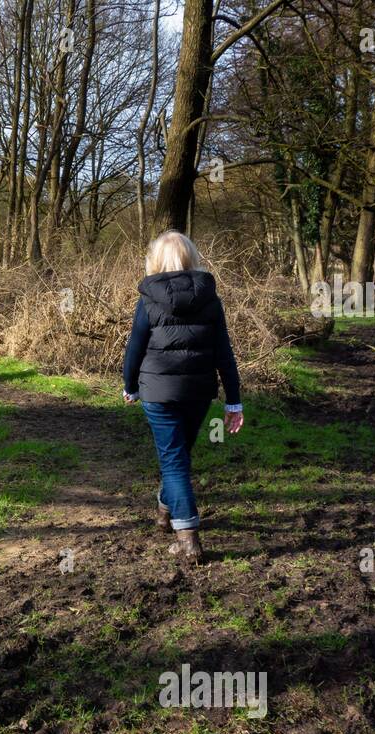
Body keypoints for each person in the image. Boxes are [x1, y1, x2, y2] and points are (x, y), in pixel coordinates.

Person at [122, 231, 243, 564]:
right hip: (199, 393)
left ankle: (187, 538)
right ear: (191, 257)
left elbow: (135, 347)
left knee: (174, 460)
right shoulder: (210, 298)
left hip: (158, 393)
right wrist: (233, 400)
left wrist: (129, 384)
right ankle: (164, 510)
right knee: (177, 456)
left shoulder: (148, 298)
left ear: (156, 260)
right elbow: (224, 353)